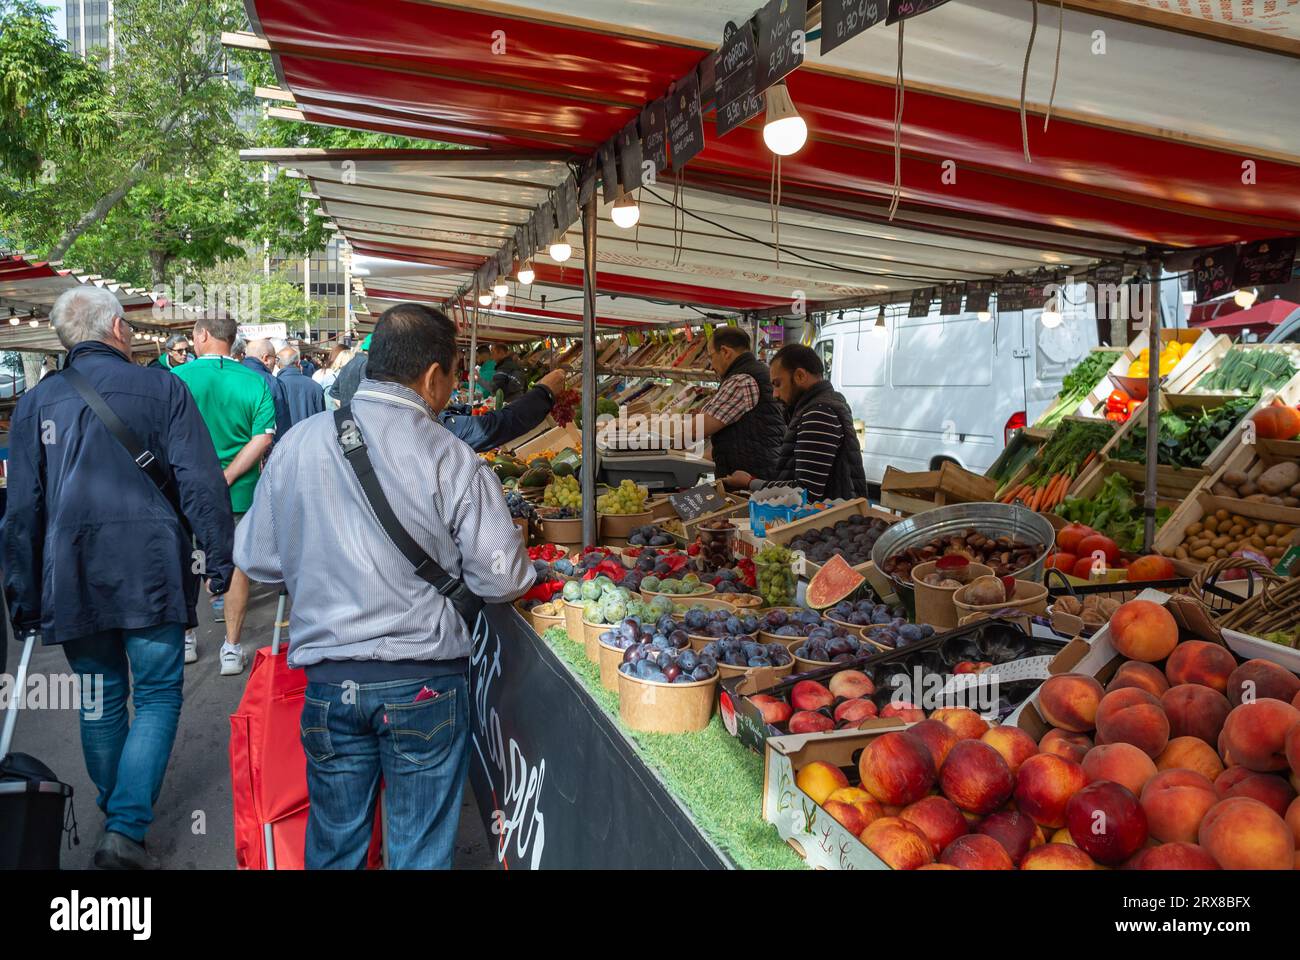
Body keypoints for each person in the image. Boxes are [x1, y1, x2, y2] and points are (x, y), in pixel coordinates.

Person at [234, 302, 536, 869]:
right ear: (432, 376)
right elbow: (501, 578)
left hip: (327, 686)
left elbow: (258, 558)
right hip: (423, 686)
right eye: (452, 376)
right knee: (418, 850)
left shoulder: (298, 444)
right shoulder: (453, 456)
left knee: (336, 845)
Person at [3, 286, 234, 869]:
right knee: (156, 695)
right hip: (151, 566)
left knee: (100, 697)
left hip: (72, 570)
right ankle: (125, 829)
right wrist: (219, 557)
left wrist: (23, 592)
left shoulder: (37, 404)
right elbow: (201, 480)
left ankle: (118, 818)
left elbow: (22, 509)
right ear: (117, 330)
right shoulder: (163, 388)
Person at [173, 315, 277, 676]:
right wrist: (229, 476)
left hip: (183, 490)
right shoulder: (255, 381)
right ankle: (231, 648)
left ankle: (186, 638)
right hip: (239, 491)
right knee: (236, 566)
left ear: (202, 336)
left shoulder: (174, 380)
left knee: (186, 560)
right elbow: (263, 437)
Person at [721, 343, 868, 501]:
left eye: (778, 384)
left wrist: (751, 483)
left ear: (800, 376)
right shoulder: (825, 405)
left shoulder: (819, 414)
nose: (775, 394)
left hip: (825, 521)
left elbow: (805, 492)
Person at [697, 327, 785, 479]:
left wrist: (659, 434)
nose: (711, 365)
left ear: (725, 352)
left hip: (750, 476)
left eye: (711, 357)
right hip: (762, 469)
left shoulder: (742, 380)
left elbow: (698, 427)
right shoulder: (756, 371)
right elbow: (745, 432)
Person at [242, 339, 292, 440]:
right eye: (275, 358)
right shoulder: (273, 383)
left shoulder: (230, 376)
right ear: (266, 358)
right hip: (264, 448)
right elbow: (282, 425)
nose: (275, 363)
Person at [276, 345, 326, 427]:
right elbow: (321, 419)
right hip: (309, 436)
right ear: (298, 363)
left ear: (278, 365)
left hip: (283, 437)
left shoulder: (274, 386)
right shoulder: (315, 386)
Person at [330, 334, 371, 406]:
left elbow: (334, 391)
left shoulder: (349, 362)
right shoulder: (366, 363)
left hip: (347, 414)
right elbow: (367, 393)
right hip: (360, 414)